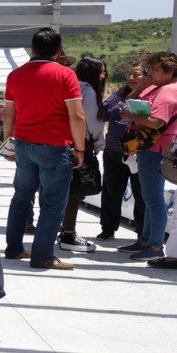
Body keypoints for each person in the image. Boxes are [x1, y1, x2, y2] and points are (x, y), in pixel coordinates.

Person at [2, 28, 87, 270]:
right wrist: (79, 148)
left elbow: (9, 112)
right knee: (52, 204)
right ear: (59, 50)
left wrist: (9, 143)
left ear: (32, 48)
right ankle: (42, 256)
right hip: (54, 146)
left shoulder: (15, 75)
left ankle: (14, 248)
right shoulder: (65, 74)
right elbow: (77, 115)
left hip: (24, 145)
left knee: (21, 198)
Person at [119, 52, 177, 261]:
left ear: (171, 71)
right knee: (149, 196)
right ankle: (145, 240)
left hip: (155, 148)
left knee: (153, 198)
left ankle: (155, 246)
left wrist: (129, 116)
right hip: (151, 147)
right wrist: (140, 87)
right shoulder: (159, 87)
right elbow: (127, 100)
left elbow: (156, 122)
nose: (151, 73)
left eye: (155, 69)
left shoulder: (169, 92)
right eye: (150, 69)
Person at [57, 56, 107, 252]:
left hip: (57, 140)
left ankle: (58, 229)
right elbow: (90, 122)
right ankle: (68, 233)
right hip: (80, 143)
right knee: (75, 192)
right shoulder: (87, 90)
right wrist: (97, 142)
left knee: (58, 189)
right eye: (101, 71)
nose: (103, 76)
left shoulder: (65, 85)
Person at [98, 58, 149, 241]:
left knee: (141, 193)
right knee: (111, 190)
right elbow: (104, 113)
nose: (130, 77)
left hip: (139, 152)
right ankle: (108, 228)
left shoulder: (151, 95)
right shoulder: (119, 94)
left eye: (136, 74)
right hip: (114, 150)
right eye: (130, 74)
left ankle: (142, 230)